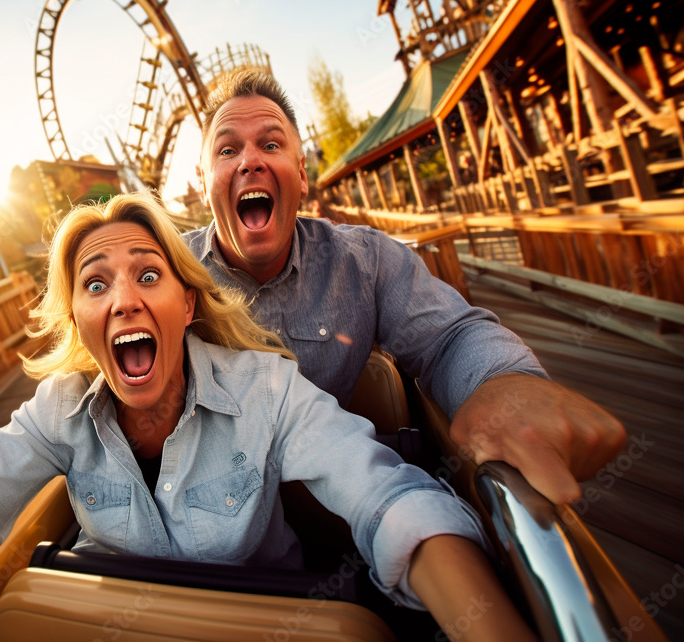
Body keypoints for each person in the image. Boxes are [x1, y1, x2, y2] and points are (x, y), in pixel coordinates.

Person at [0, 194, 536, 642]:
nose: (121, 296)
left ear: (185, 304)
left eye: (147, 273)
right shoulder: (58, 413)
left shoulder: (267, 389)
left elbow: (386, 497)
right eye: (93, 282)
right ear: (80, 320)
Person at [184, 68, 627, 505]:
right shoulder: (166, 271)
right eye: (227, 150)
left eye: (271, 143)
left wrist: (501, 382)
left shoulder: (364, 260)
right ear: (204, 185)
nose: (250, 160)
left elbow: (450, 335)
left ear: (301, 174)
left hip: (339, 502)